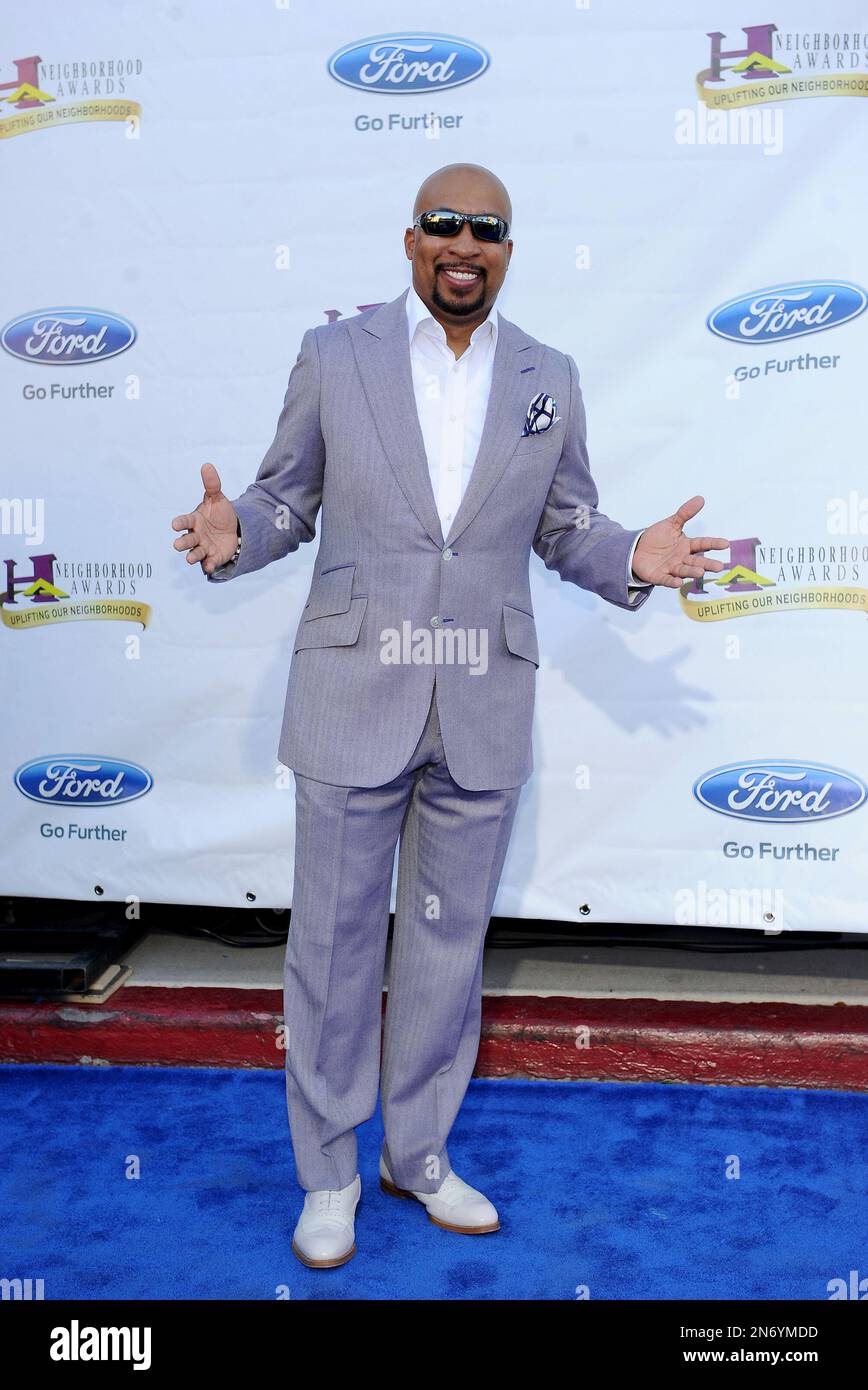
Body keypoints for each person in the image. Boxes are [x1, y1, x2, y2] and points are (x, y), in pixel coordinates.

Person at [171, 162, 727, 1268]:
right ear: (411, 239)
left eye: (488, 229)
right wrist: (238, 533)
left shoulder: (548, 376)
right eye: (444, 225)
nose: (464, 243)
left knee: (444, 946)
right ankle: (328, 1171)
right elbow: (287, 497)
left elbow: (568, 527)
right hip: (350, 693)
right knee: (330, 946)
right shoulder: (335, 356)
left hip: (481, 695)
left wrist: (633, 557)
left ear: (508, 251)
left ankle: (415, 1154)